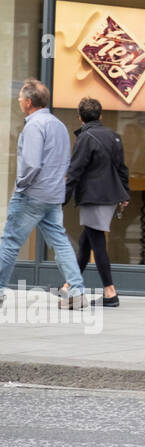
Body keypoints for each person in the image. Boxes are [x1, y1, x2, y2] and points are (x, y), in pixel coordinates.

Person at [0, 79, 86, 308]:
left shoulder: (34, 126)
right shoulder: (58, 125)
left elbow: (31, 164)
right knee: (60, 242)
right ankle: (76, 291)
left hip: (32, 194)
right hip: (53, 195)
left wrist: (20, 186)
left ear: (28, 102)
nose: (18, 101)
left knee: (9, 241)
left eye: (20, 98)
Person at [62, 98, 130, 307]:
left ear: (80, 117)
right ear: (100, 115)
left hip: (93, 197)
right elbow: (122, 168)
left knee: (97, 241)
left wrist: (63, 197)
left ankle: (110, 292)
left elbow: (75, 170)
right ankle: (68, 286)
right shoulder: (114, 137)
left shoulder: (85, 138)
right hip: (109, 197)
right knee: (86, 241)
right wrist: (125, 193)